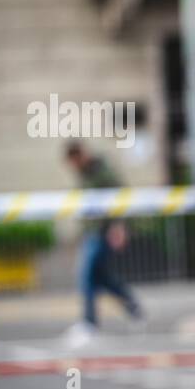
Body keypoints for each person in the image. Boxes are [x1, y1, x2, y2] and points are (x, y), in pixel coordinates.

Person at [64, 141, 141, 338]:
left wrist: (119, 226)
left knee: (86, 276)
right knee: (102, 278)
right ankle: (133, 306)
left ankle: (89, 323)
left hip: (103, 232)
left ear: (79, 156)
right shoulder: (85, 172)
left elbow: (120, 196)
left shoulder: (101, 169)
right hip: (92, 231)